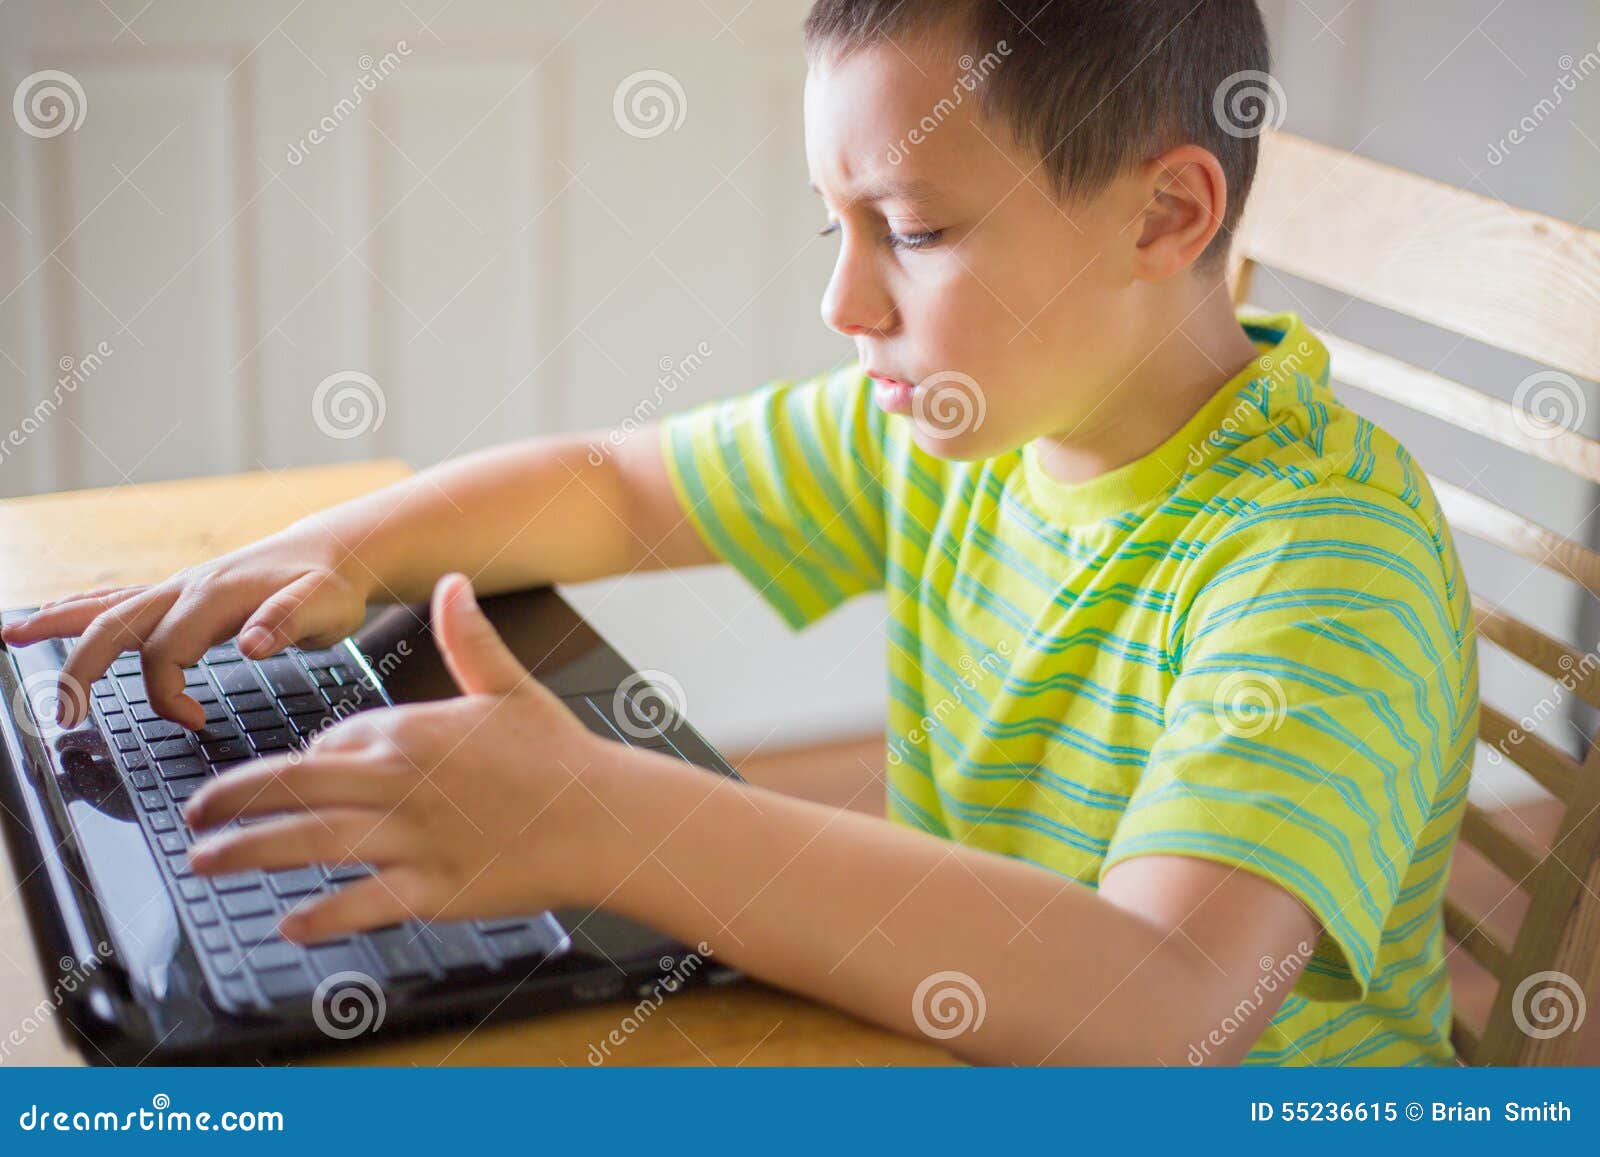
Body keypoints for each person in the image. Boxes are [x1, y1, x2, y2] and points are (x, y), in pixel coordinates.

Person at [1, 0, 1476, 1065]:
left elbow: (1166, 1002)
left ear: (1165, 212)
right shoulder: (970, 418)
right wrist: (341, 547)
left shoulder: (1321, 560)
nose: (845, 305)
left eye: (911, 228)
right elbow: (621, 486)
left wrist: (607, 818)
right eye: (833, 221)